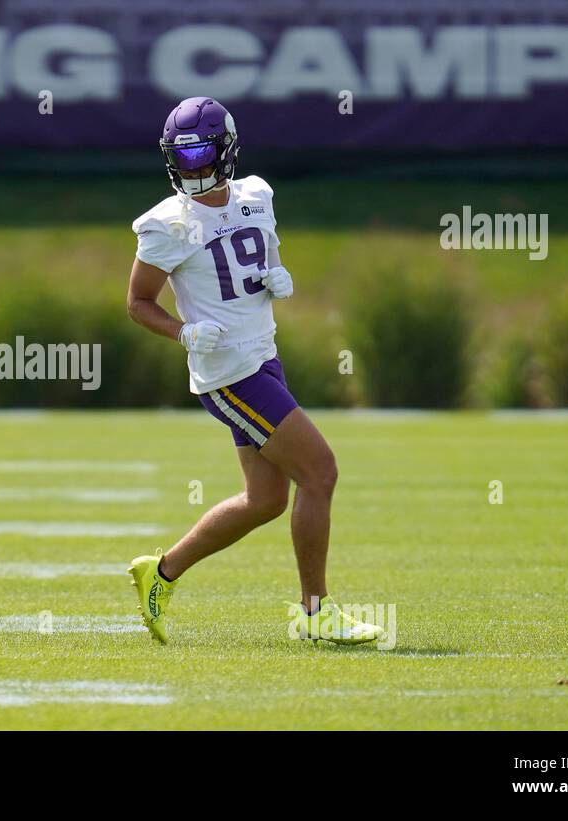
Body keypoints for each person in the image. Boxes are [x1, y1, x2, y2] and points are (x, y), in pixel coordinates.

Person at [125, 96, 382, 646]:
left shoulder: (257, 196)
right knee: (320, 472)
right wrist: (182, 332)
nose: (192, 167)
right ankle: (316, 615)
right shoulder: (166, 224)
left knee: (265, 500)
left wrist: (274, 274)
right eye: (182, 155)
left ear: (227, 149)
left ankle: (161, 571)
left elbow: (251, 260)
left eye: (200, 153)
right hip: (227, 370)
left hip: (263, 356)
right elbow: (138, 303)